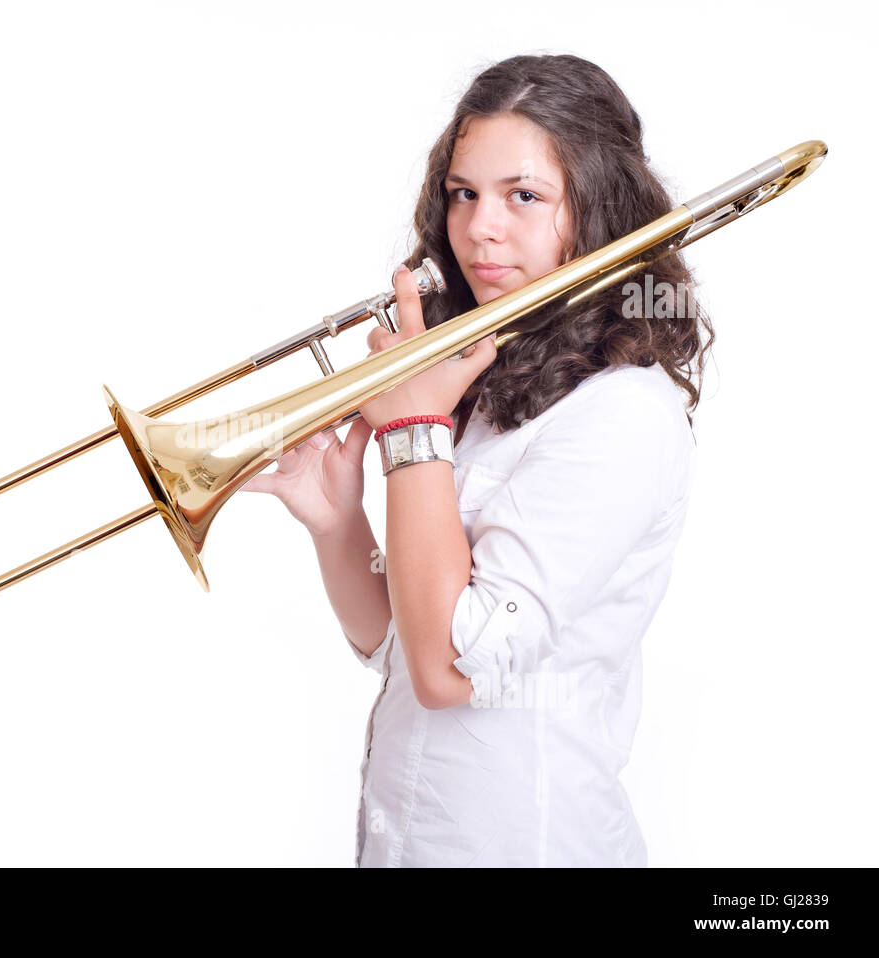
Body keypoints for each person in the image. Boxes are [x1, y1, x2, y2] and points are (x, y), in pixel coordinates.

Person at [243, 53, 711, 867]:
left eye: (523, 196)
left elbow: (453, 671)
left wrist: (414, 429)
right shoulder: (490, 386)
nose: (479, 229)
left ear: (598, 211)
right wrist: (335, 521)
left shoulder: (622, 411)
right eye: (464, 193)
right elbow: (399, 642)